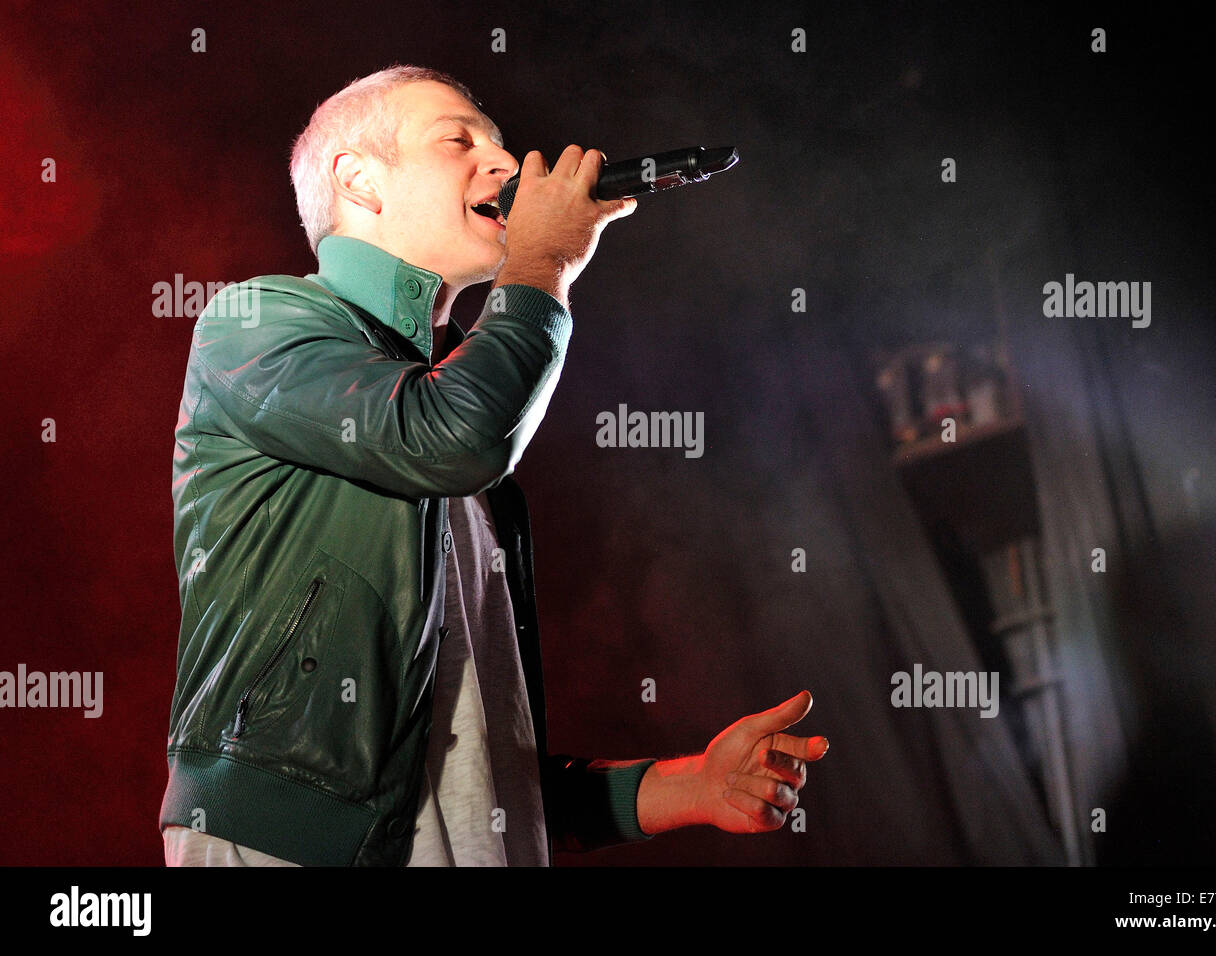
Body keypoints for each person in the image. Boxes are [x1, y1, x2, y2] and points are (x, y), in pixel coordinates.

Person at [160, 65, 828, 866]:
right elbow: (451, 436)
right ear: (359, 179)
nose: (507, 166)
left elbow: (468, 767)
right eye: (459, 140)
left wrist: (690, 786)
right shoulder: (256, 323)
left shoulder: (456, 401)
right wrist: (542, 264)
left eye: (503, 146)